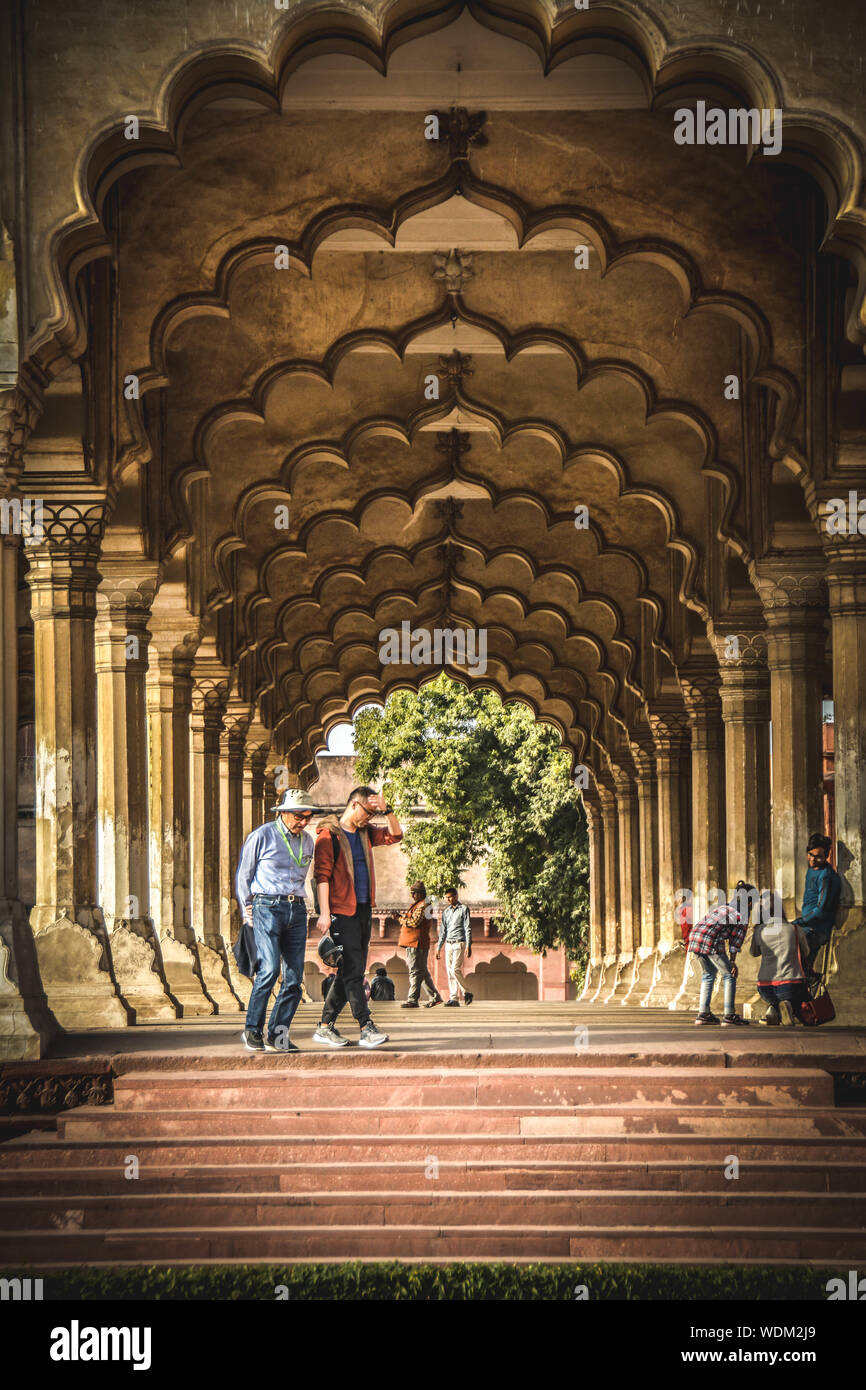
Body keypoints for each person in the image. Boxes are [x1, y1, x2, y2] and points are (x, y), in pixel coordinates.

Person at [312, 786, 403, 1049]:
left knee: (349, 970)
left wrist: (388, 811)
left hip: (362, 908)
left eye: (375, 814)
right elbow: (322, 876)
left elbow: (395, 835)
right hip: (341, 911)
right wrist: (325, 913)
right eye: (368, 812)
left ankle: (325, 1026)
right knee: (353, 971)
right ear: (354, 805)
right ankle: (366, 1026)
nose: (370, 818)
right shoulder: (329, 836)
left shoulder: (364, 833)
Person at [235, 787, 316, 1053]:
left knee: (294, 977)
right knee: (269, 970)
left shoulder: (307, 841)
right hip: (266, 905)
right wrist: (246, 907)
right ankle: (252, 1030)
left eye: (307, 816)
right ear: (282, 812)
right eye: (298, 815)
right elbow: (244, 876)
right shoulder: (262, 835)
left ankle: (278, 1034)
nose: (302, 821)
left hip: (297, 908)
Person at [687, 881, 753, 1026]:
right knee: (730, 975)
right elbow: (735, 942)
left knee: (708, 974)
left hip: (695, 938)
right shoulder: (741, 915)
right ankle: (729, 1015)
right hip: (709, 940)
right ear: (749, 902)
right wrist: (733, 962)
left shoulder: (724, 907)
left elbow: (717, 933)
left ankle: (703, 1014)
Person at [749, 892, 811, 1026]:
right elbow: (806, 953)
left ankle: (774, 1009)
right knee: (796, 995)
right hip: (791, 984)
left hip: (765, 987)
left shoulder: (759, 930)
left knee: (775, 998)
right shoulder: (795, 929)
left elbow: (754, 953)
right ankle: (786, 1007)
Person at [793, 833, 841, 970]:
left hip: (817, 929)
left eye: (818, 856)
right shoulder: (812, 868)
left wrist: (798, 922)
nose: (813, 859)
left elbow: (821, 910)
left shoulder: (826, 875)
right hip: (806, 927)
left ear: (826, 856)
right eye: (810, 854)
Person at [398, 880, 442, 1008]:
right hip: (417, 942)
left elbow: (415, 922)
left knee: (415, 971)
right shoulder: (422, 904)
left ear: (421, 894)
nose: (412, 895)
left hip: (416, 942)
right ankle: (435, 997)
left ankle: (413, 1000)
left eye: (415, 893)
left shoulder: (423, 905)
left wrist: (399, 919)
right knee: (422, 971)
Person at [436, 887, 473, 1007]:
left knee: (455, 969)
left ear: (456, 896)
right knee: (450, 972)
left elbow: (467, 928)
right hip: (449, 943)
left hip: (459, 942)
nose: (448, 899)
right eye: (446, 897)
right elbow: (443, 932)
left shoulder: (463, 909)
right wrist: (438, 948)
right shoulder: (446, 912)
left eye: (450, 897)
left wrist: (468, 945)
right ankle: (454, 998)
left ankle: (467, 992)